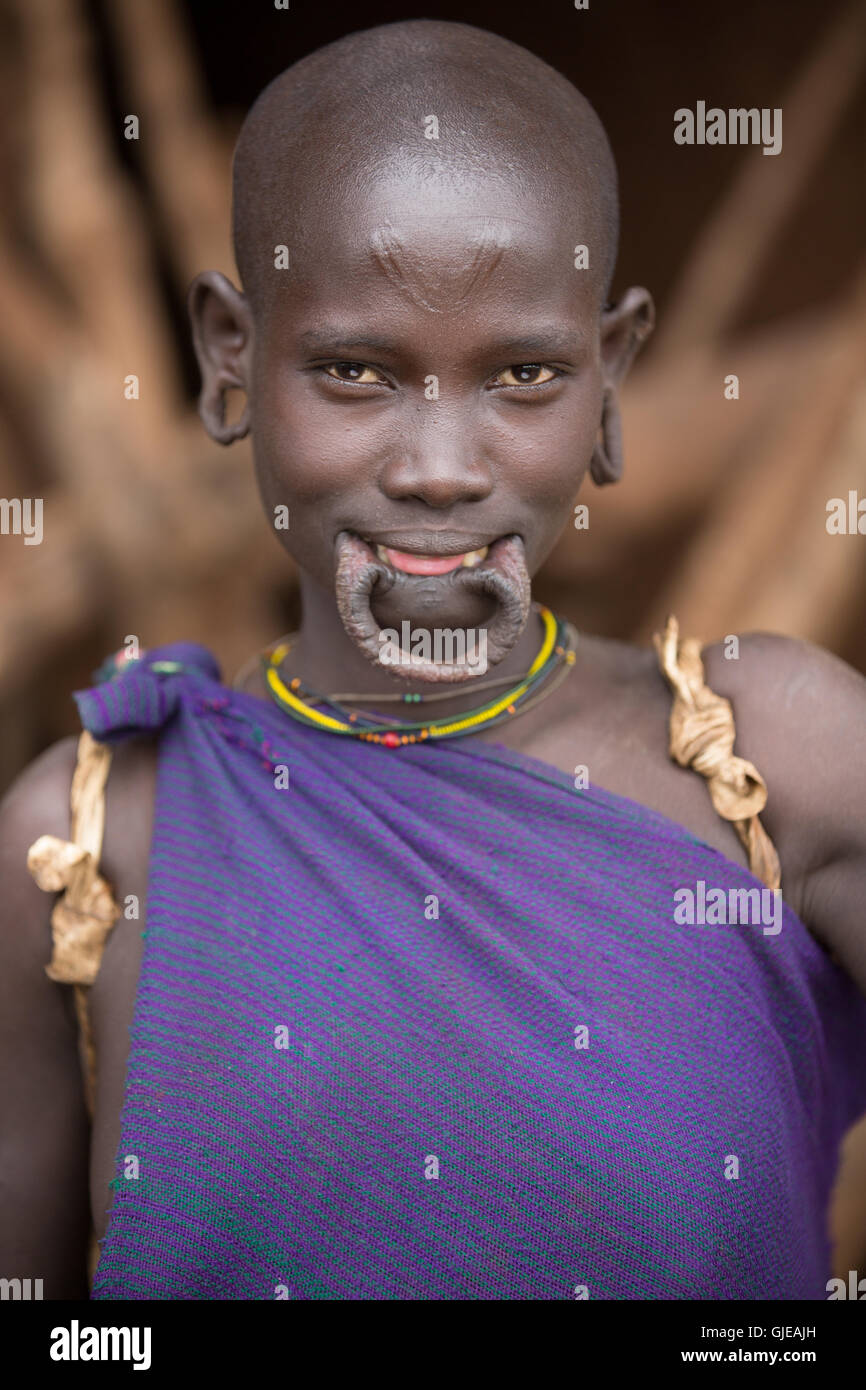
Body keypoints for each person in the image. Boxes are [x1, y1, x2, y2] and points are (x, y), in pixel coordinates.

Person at [1, 19, 864, 1301]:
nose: (440, 468)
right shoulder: (85, 843)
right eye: (354, 371)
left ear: (611, 375)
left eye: (523, 375)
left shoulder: (774, 763)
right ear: (232, 358)